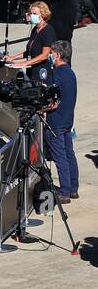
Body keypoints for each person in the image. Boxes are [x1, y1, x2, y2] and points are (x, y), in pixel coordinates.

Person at [43, 40, 79, 202]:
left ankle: (64, 192)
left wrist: (40, 109)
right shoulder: (71, 73)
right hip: (67, 120)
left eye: (51, 53)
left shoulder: (56, 75)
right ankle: (73, 188)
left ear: (57, 55)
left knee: (60, 157)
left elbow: (53, 102)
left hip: (55, 122)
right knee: (69, 154)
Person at [4, 1, 56, 72]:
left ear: (43, 15)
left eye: (35, 14)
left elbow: (45, 55)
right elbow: (29, 52)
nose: (31, 16)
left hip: (42, 72)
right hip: (31, 69)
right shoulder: (35, 29)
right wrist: (12, 58)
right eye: (30, 13)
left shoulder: (48, 30)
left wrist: (24, 63)